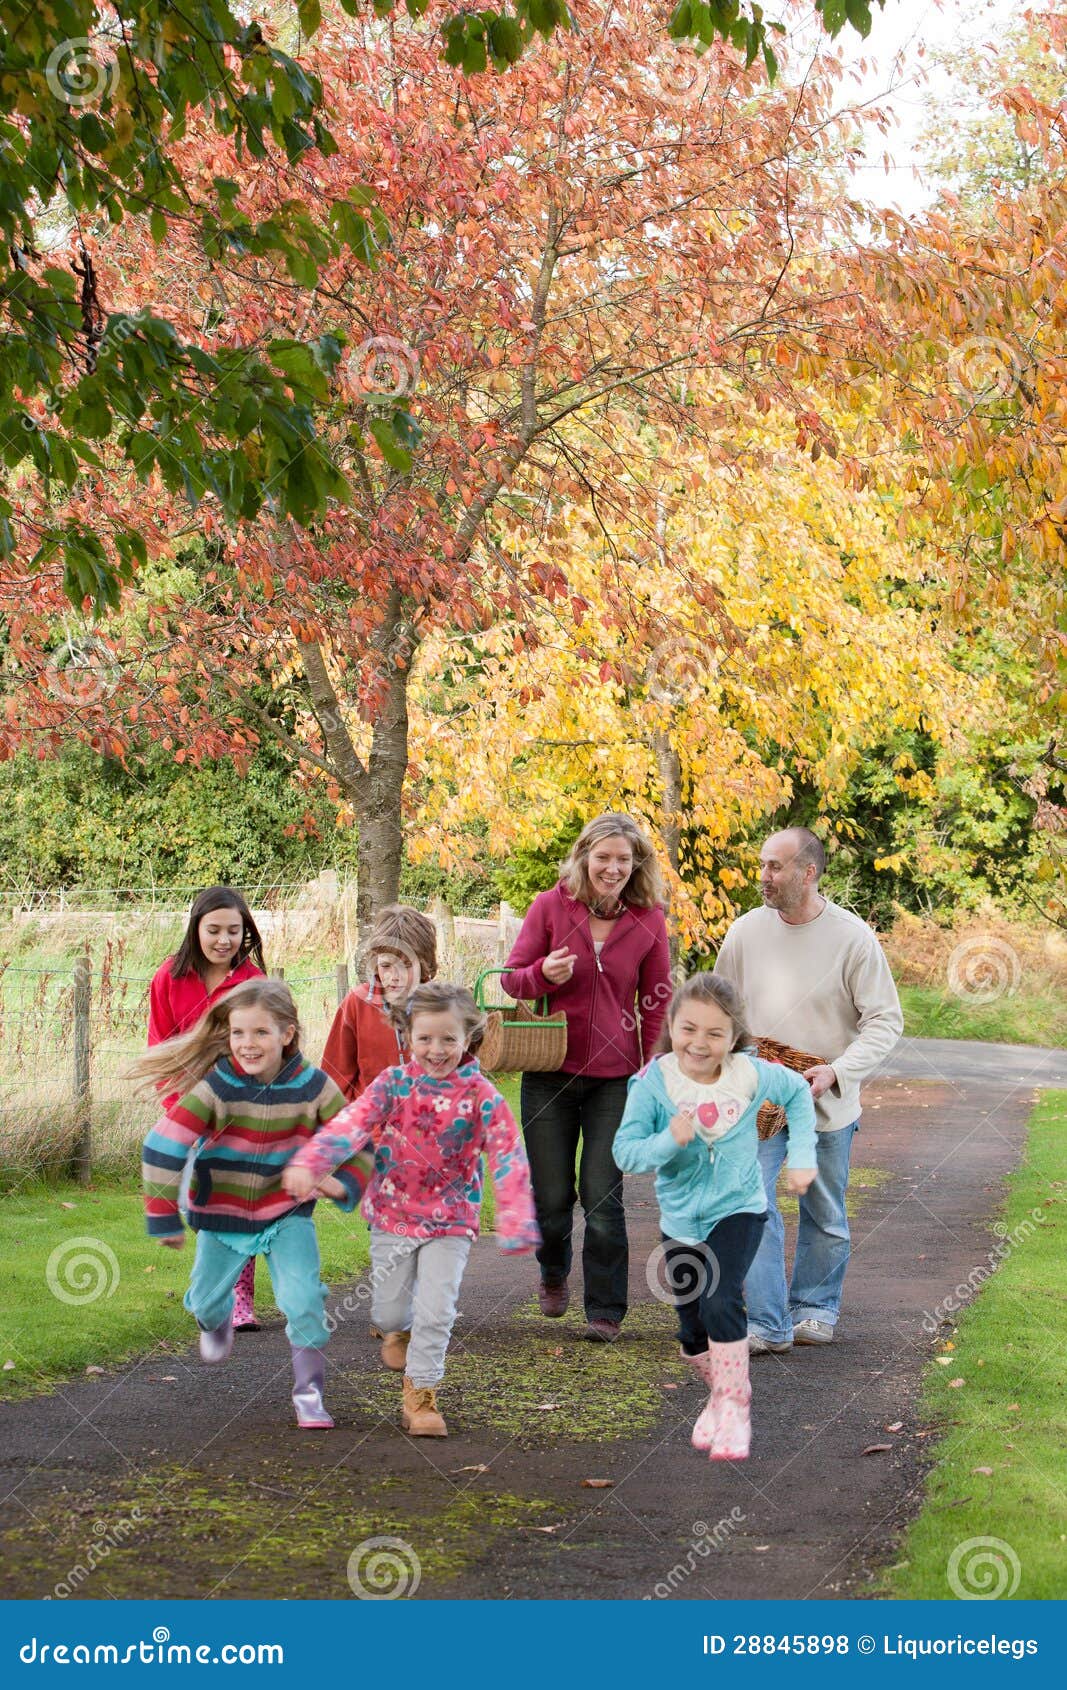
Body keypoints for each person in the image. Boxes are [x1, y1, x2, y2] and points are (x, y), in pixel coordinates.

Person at [283, 981, 539, 1439]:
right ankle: (396, 1332)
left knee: (437, 1309)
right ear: (407, 1036)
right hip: (393, 1214)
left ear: (468, 1039)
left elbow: (508, 1155)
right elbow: (350, 1124)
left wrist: (516, 1219)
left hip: (452, 1220)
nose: (436, 1050)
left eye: (448, 1039)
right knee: (388, 1311)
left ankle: (421, 1395)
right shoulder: (393, 1084)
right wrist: (310, 1163)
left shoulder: (483, 1096)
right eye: (425, 1038)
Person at [135, 979, 371, 1429]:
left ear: (287, 1034)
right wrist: (163, 1216)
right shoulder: (217, 1087)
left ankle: (310, 1395)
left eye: (261, 1033)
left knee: (304, 1300)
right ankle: (215, 1320)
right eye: (238, 1033)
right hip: (221, 1215)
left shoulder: (315, 1088)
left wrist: (342, 1184)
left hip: (287, 1212)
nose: (248, 1044)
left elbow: (357, 1143)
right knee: (204, 1303)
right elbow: (161, 1145)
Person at [715, 826, 903, 1353]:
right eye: (761, 865)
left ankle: (816, 1307)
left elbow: (885, 1020)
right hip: (762, 1096)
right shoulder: (746, 932)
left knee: (823, 1209)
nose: (764, 877)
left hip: (827, 1098)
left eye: (775, 867)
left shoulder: (852, 938)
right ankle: (769, 1322)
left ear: (808, 872)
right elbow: (722, 1007)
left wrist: (837, 1071)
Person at [614, 972, 816, 1460]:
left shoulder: (751, 1074)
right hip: (681, 1220)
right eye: (689, 1029)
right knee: (690, 1330)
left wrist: (803, 1156)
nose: (699, 1044)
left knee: (722, 1299)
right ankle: (719, 1393)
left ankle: (736, 1403)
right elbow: (625, 1153)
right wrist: (669, 1140)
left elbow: (799, 1094)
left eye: (714, 1033)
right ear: (672, 1026)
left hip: (739, 1208)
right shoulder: (653, 1085)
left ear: (733, 1038)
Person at [500, 813, 672, 1342]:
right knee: (552, 1199)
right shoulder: (549, 906)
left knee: (602, 1195)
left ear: (636, 864)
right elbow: (510, 980)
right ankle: (553, 1270)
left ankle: (605, 1309)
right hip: (550, 1073)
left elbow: (656, 1001)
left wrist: (649, 1071)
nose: (613, 868)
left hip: (616, 1081)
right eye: (604, 857)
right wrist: (539, 976)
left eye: (624, 859)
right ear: (584, 857)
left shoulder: (649, 920)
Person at [147, 887, 267, 1333]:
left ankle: (239, 1298)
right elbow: (159, 1044)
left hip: (244, 1108)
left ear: (245, 932)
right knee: (200, 1203)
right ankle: (207, 1288)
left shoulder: (254, 983)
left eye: (233, 931)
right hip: (190, 1106)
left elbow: (269, 1047)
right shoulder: (169, 979)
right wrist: (181, 1108)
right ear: (195, 929)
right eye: (213, 930)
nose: (223, 940)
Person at [321, 904, 438, 1102]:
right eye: (386, 966)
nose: (394, 976)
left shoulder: (442, 1008)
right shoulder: (356, 1004)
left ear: (425, 964)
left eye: (406, 965)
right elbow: (335, 1080)